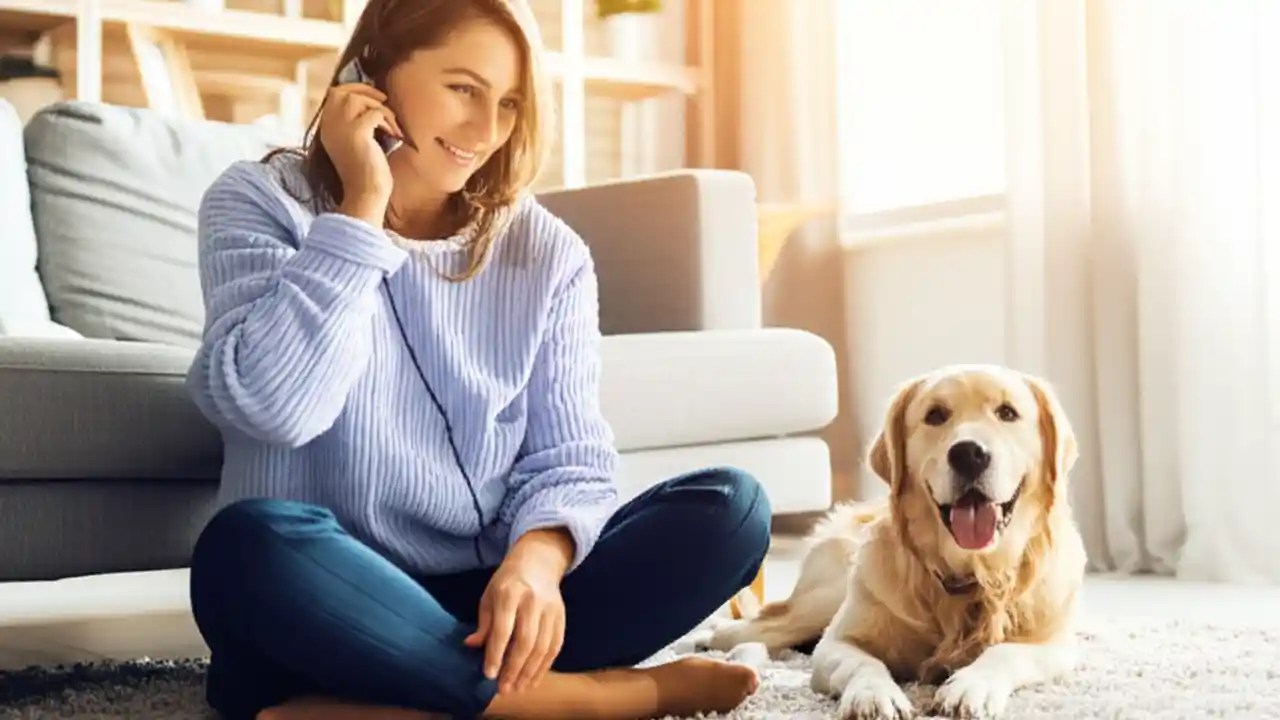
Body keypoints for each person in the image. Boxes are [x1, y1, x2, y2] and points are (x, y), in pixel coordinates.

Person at [183, 1, 772, 718]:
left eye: (510, 103)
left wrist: (534, 566)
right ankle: (583, 700)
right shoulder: (257, 201)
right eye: (464, 88)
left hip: (493, 608)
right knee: (247, 547)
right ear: (372, 72)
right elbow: (275, 406)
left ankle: (371, 701)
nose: (486, 131)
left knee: (731, 510)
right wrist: (361, 209)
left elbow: (571, 459)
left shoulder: (548, 253)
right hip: (328, 590)